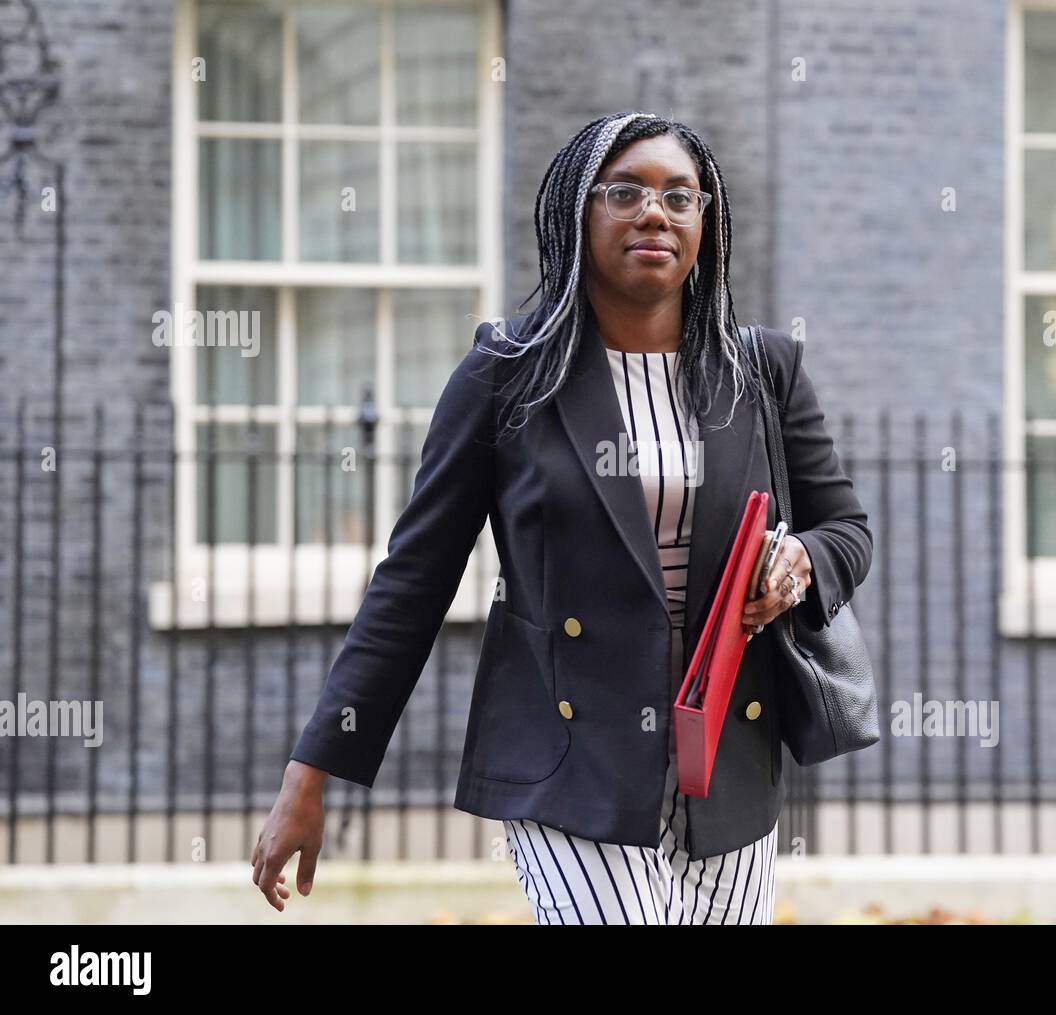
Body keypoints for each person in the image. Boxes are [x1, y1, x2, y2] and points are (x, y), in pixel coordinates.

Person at [251, 110, 873, 924]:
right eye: (627, 191)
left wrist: (799, 567)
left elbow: (845, 530)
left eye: (680, 196)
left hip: (726, 764)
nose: (656, 212)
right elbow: (413, 581)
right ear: (577, 213)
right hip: (572, 763)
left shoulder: (760, 370)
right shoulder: (507, 375)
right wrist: (313, 768)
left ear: (704, 223)